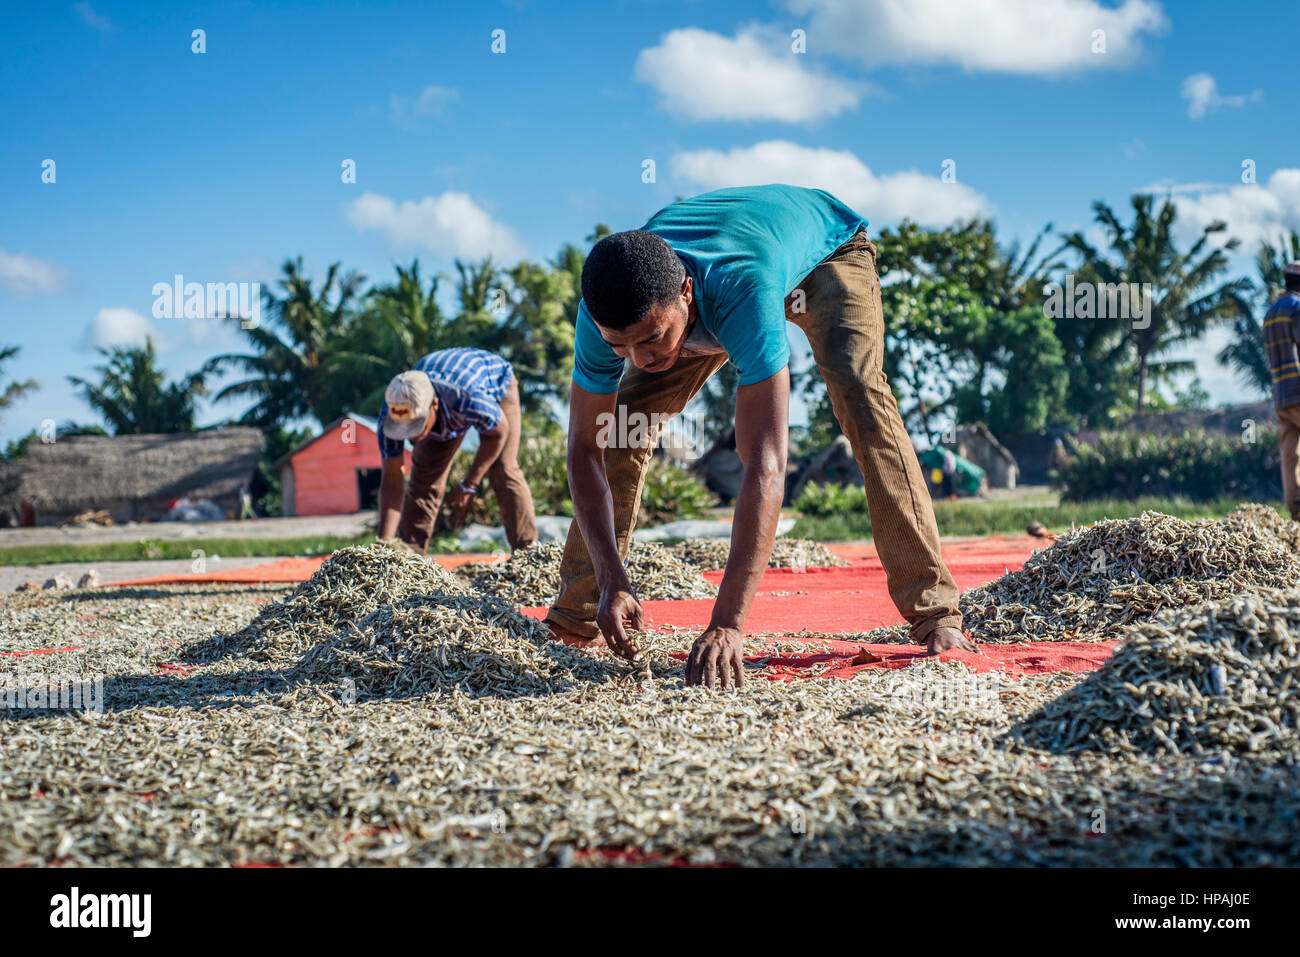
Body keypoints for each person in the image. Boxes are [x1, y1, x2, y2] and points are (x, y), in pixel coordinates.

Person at [545, 184, 977, 688]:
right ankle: (579, 614)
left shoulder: (742, 289)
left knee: (862, 401)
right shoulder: (605, 321)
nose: (641, 358)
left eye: (653, 338)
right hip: (721, 270)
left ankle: (936, 614)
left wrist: (728, 621)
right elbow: (583, 451)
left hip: (828, 251)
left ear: (685, 293)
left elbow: (766, 462)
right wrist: (611, 576)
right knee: (620, 430)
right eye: (622, 346)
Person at [377, 347, 537, 552]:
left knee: (503, 468)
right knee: (423, 480)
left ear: (433, 405)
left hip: (496, 385)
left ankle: (528, 554)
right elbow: (391, 483)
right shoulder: (392, 413)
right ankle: (410, 559)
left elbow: (498, 433)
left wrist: (469, 485)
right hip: (448, 406)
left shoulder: (467, 398)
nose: (411, 436)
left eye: (417, 426)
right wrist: (382, 550)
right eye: (403, 429)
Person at [1265, 261, 1300, 518]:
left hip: (1280, 396)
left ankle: (1296, 510)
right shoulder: (1297, 308)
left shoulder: (1270, 313)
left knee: (1290, 454)